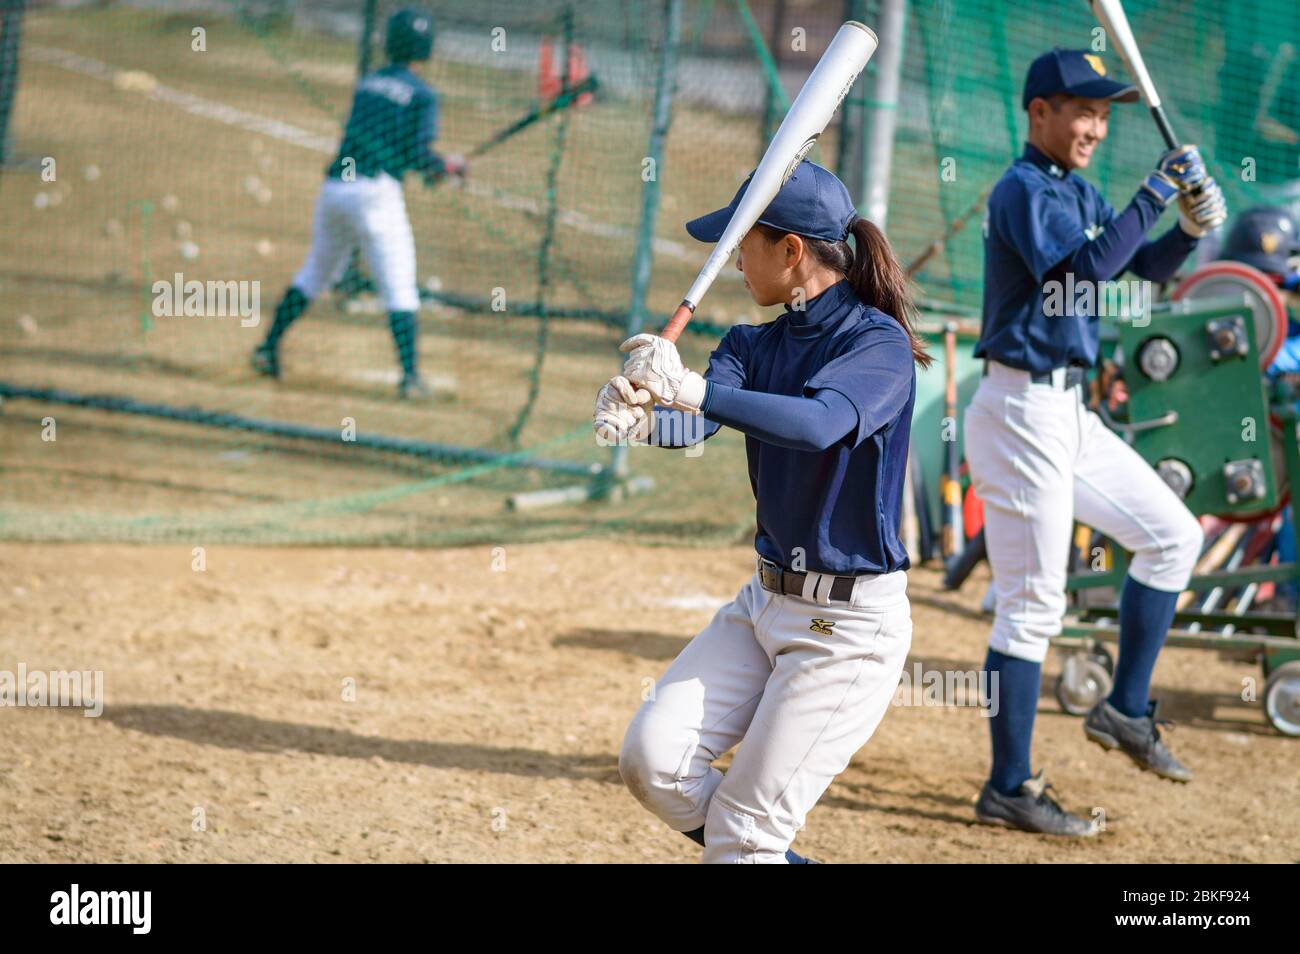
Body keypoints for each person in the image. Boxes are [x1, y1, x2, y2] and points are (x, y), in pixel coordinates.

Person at [592, 160, 930, 863]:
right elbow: (700, 421)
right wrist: (645, 421)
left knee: (744, 836)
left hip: (847, 630)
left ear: (791, 251)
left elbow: (817, 424)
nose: (733, 260)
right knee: (653, 761)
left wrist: (684, 388)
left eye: (743, 242)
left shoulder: (878, 344)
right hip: (762, 603)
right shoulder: (753, 343)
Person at [964, 49, 1227, 836]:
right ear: (1037, 111)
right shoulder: (1020, 189)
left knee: (1171, 537)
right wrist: (1155, 190)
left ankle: (1125, 710)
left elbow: (1130, 269)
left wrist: (1183, 227)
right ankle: (1009, 784)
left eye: (1105, 113)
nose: (1096, 126)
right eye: (1082, 110)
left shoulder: (1073, 188)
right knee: (1032, 607)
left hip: (1067, 414)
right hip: (1018, 412)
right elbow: (1075, 275)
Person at [250, 7, 464, 399]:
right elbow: (416, 153)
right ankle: (411, 377)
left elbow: (389, 144)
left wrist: (433, 169)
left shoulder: (368, 83)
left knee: (315, 273)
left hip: (335, 189)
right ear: (426, 48)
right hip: (375, 195)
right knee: (399, 285)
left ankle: (267, 347)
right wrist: (446, 167)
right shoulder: (423, 95)